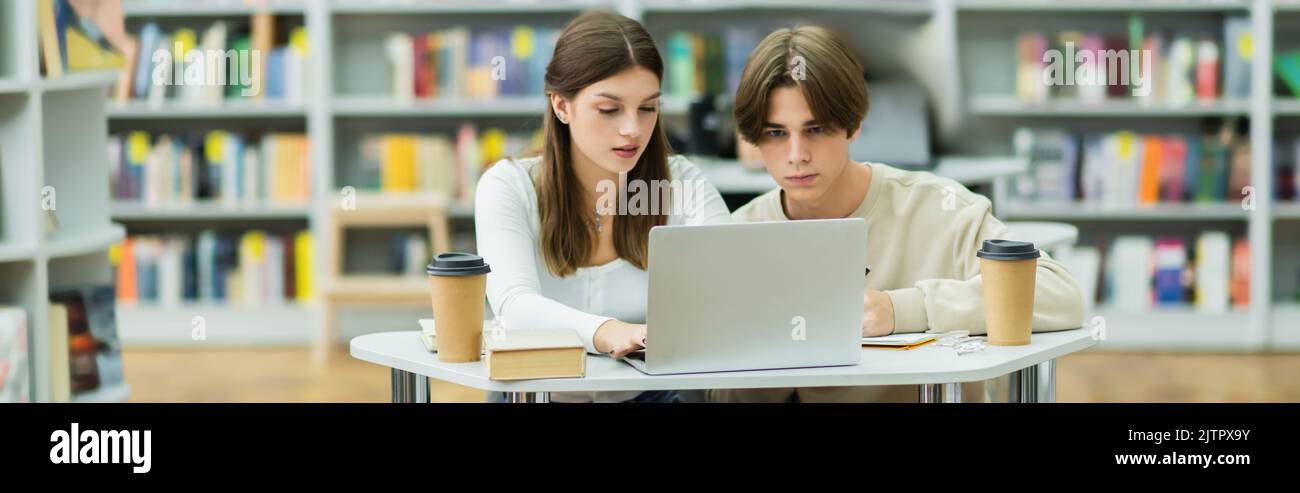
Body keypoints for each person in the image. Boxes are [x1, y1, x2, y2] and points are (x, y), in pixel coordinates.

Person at [709, 26, 1085, 403]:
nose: (796, 154)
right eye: (776, 133)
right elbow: (718, 394)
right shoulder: (741, 232)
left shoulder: (937, 207)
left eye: (816, 129)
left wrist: (902, 310)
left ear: (852, 125)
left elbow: (1061, 294)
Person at [475, 11, 731, 403]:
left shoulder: (681, 182)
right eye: (610, 109)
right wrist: (611, 331)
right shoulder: (508, 186)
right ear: (562, 106)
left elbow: (737, 278)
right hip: (534, 394)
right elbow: (514, 308)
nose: (633, 128)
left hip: (650, 395)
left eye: (648, 108)